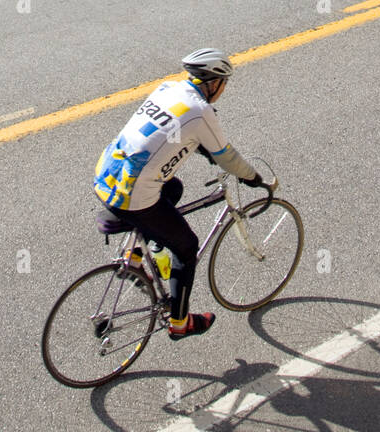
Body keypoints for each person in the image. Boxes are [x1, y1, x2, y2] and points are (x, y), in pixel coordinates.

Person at [93, 48, 269, 340]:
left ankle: (134, 255)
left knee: (173, 187)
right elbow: (227, 156)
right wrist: (254, 178)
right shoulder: (201, 111)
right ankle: (180, 322)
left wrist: (202, 148)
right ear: (213, 83)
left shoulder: (168, 89)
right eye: (224, 83)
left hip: (107, 174)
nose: (224, 89)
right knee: (187, 248)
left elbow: (166, 130)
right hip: (132, 195)